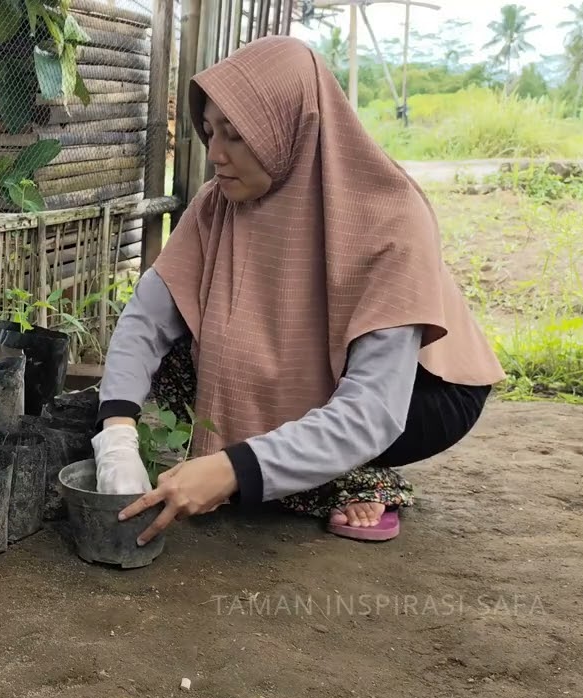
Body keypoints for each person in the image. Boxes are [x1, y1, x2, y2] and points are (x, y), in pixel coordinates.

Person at [92, 35, 505, 544]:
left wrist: (233, 469)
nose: (215, 153)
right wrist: (116, 432)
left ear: (291, 128)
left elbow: (373, 408)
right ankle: (319, 476)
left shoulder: (390, 218)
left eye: (236, 135)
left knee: (285, 455)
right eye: (208, 131)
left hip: (418, 394)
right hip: (296, 367)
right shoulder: (217, 202)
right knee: (172, 364)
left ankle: (352, 479)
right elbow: (148, 318)